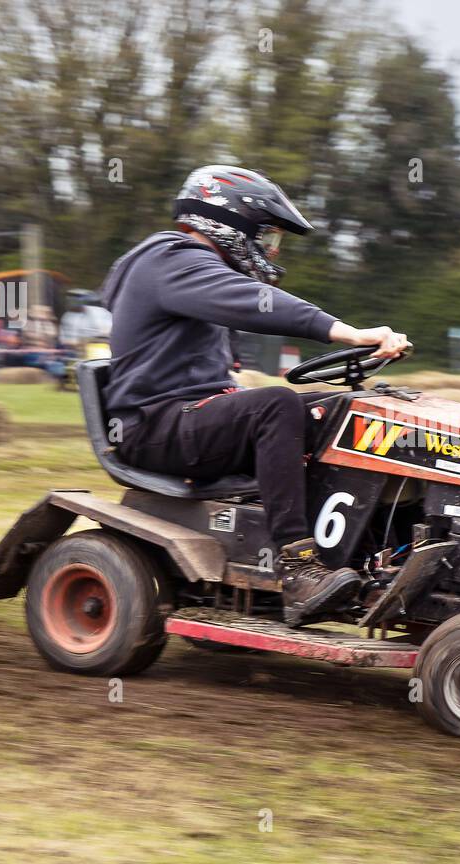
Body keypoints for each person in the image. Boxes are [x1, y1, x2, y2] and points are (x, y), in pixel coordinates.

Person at [102, 165, 410, 624]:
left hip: (192, 418)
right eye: (266, 236)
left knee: (344, 409)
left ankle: (379, 553)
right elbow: (254, 302)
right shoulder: (170, 258)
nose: (270, 249)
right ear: (229, 225)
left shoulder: (191, 270)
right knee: (276, 404)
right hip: (152, 425)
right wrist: (347, 332)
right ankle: (298, 567)